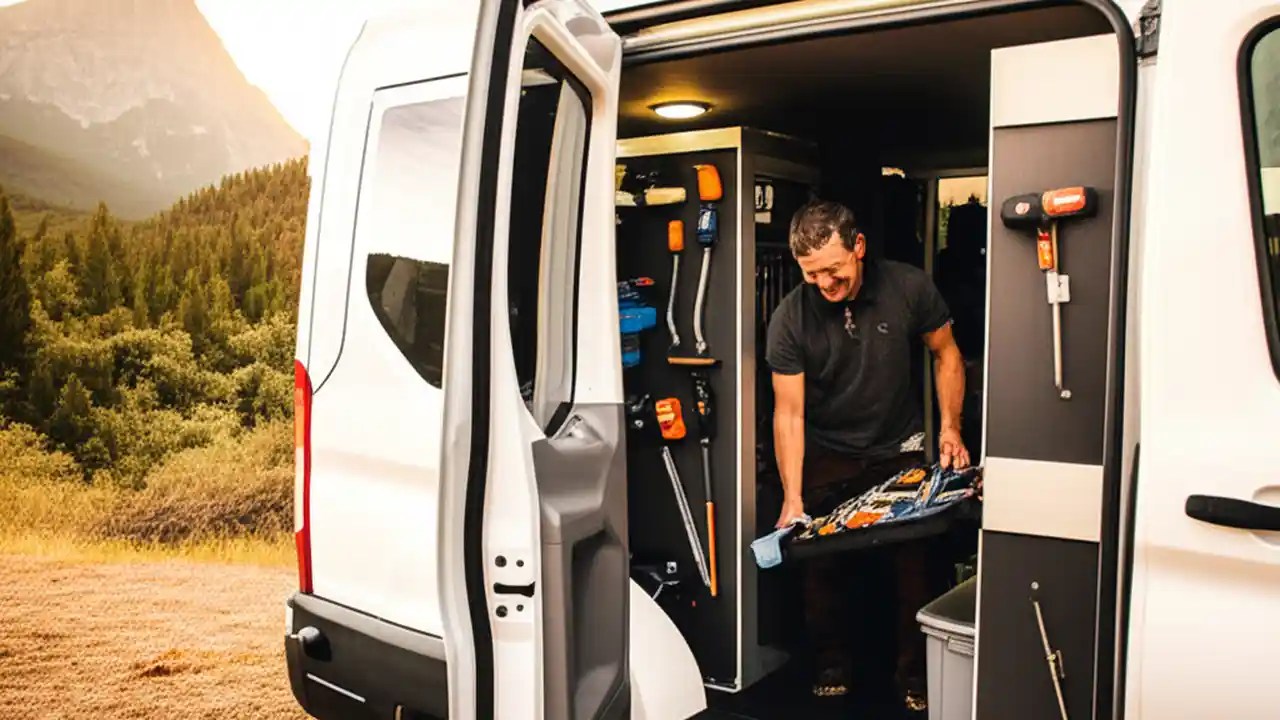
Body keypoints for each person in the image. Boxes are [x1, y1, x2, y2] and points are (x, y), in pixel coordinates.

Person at [766, 199, 970, 709]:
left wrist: (950, 428)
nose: (826, 285)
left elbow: (946, 354)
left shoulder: (909, 288)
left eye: (834, 270)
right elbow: (788, 413)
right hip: (828, 451)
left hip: (899, 448)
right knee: (821, 567)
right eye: (813, 275)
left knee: (916, 566)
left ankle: (915, 676)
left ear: (858, 248)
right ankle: (832, 662)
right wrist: (792, 497)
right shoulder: (790, 317)